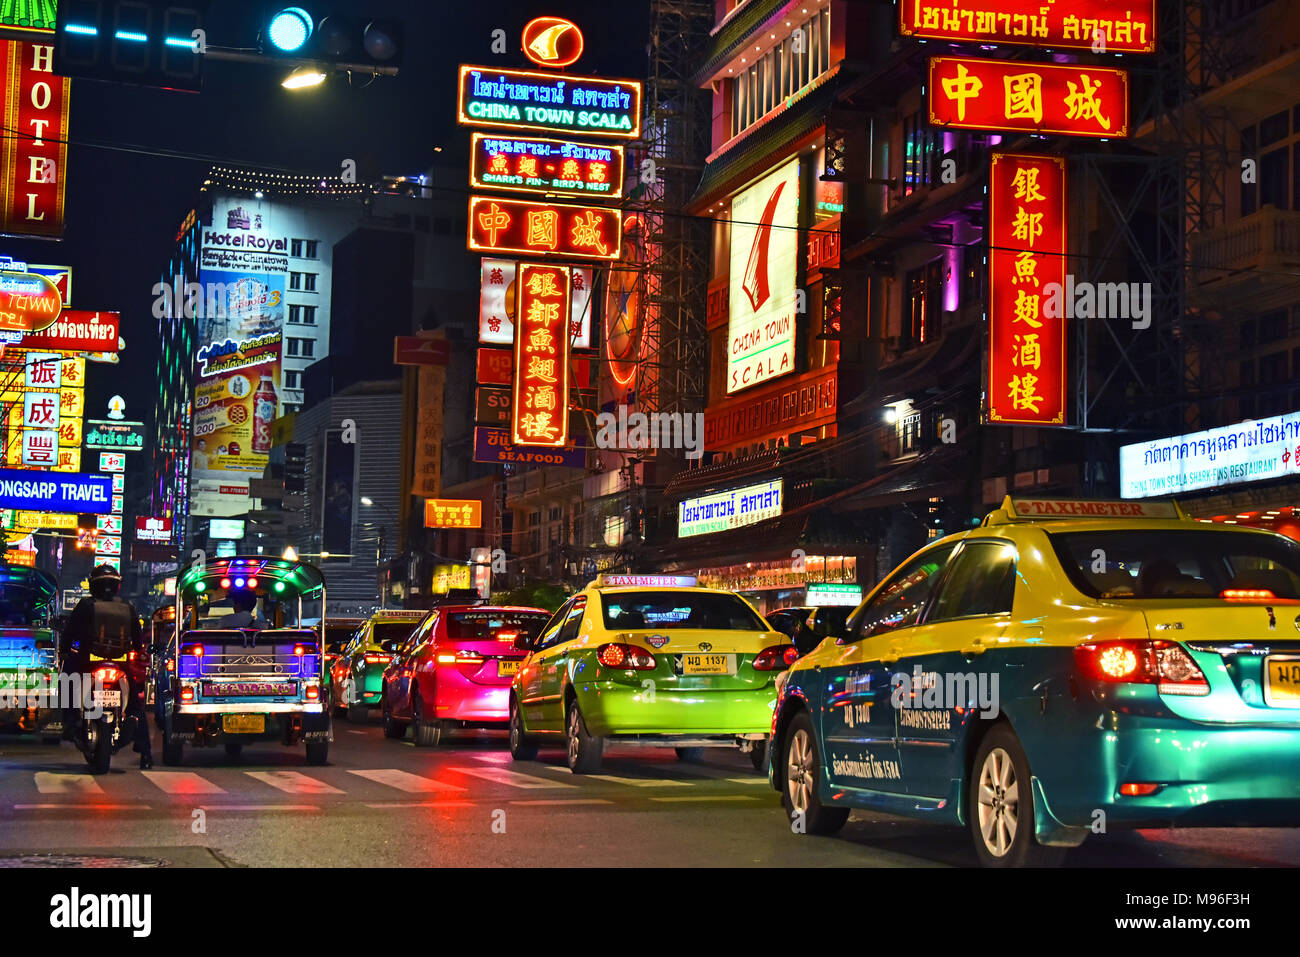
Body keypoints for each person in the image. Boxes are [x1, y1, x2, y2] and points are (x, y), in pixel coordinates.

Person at [59, 564, 153, 769]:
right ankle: (146, 754)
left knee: (65, 680)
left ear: (94, 586)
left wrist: (64, 650)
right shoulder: (128, 607)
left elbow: (69, 633)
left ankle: (68, 721)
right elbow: (137, 640)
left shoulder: (85, 605)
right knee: (136, 707)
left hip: (86, 663)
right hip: (120, 665)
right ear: (117, 586)